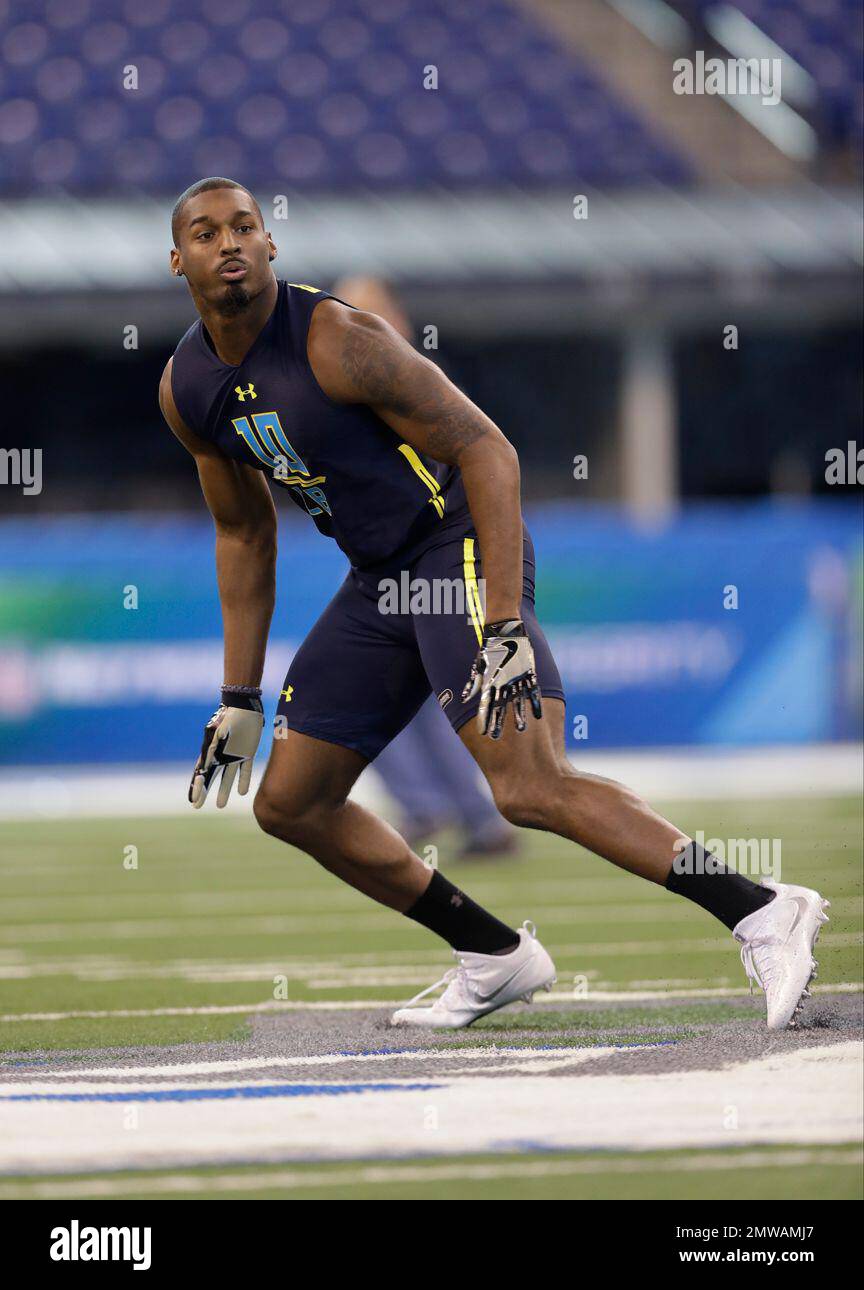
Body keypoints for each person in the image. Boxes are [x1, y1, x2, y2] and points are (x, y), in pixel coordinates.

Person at [159, 178, 828, 1031]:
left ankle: (762, 907)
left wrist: (505, 621)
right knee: (290, 803)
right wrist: (238, 697)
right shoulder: (187, 388)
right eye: (208, 233)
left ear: (271, 245)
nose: (231, 244)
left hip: (456, 545)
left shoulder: (337, 338)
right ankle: (494, 955)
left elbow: (488, 448)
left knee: (527, 784)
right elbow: (245, 535)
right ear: (178, 259)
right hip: (380, 580)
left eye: (246, 226)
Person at [330, 275, 517, 860]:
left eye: (362, 316)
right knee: (399, 694)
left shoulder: (411, 386)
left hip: (435, 562)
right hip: (400, 568)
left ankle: (469, 811)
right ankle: (459, 812)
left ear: (395, 325)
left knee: (424, 694)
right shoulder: (362, 389)